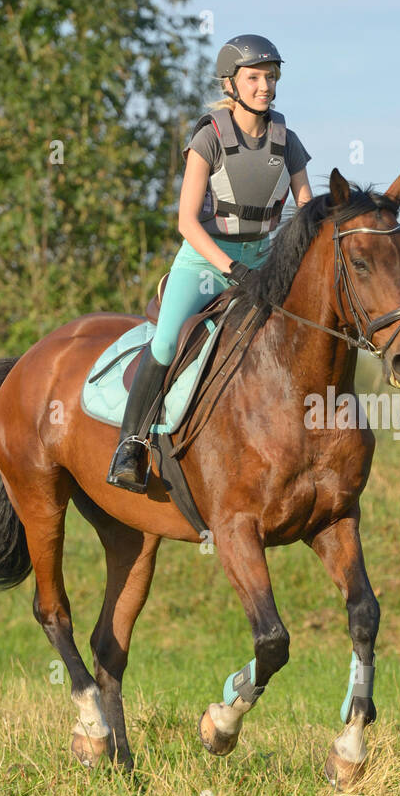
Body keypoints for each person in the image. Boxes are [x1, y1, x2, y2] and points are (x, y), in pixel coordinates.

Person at [108, 33, 313, 492]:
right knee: (165, 344)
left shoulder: (288, 140)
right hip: (203, 261)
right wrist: (230, 269)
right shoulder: (208, 138)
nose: (265, 86)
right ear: (231, 83)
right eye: (255, 77)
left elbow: (306, 210)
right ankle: (131, 445)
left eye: (271, 77)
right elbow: (186, 221)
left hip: (263, 261)